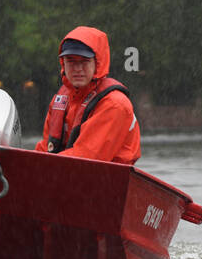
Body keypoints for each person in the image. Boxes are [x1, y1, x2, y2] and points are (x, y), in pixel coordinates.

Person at [34, 25, 140, 164]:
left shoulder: (115, 104)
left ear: (97, 63)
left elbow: (88, 159)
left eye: (84, 61)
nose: (78, 69)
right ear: (63, 64)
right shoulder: (60, 100)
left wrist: (38, 165)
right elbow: (44, 148)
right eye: (71, 61)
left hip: (109, 180)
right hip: (68, 176)